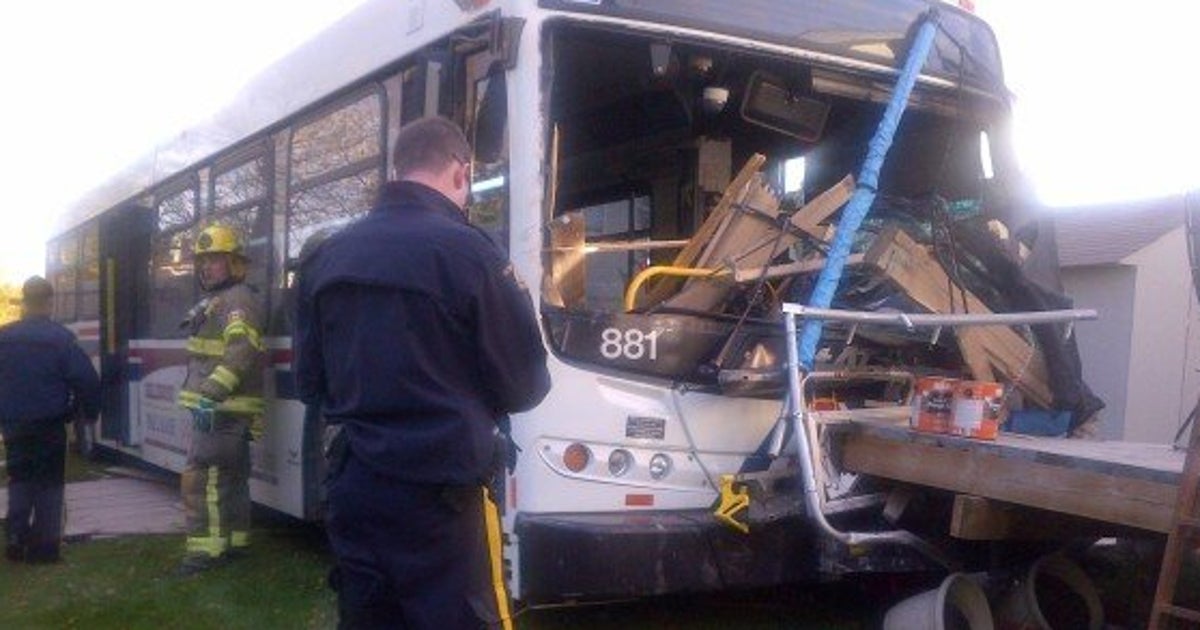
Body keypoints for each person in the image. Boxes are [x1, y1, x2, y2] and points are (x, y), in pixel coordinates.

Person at [294, 116, 551, 629]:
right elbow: (525, 385)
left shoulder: (326, 256)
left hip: (357, 485)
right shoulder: (471, 252)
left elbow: (309, 383)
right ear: (461, 171)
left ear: (398, 168)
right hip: (442, 497)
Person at [176, 223, 266, 575]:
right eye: (203, 260)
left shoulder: (235, 300)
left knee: (202, 482)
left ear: (234, 263)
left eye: (214, 259)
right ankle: (234, 544)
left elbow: (240, 351)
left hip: (220, 408)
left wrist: (208, 396)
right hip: (228, 410)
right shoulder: (223, 299)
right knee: (230, 481)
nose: (206, 266)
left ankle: (203, 556)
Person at [0, 275, 100, 563]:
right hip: (49, 423)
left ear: (24, 302)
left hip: (13, 423)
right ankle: (44, 548)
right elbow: (87, 380)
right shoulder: (61, 339)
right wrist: (90, 412)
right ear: (49, 303)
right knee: (49, 484)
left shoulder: (4, 337)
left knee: (19, 478)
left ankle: (16, 536)